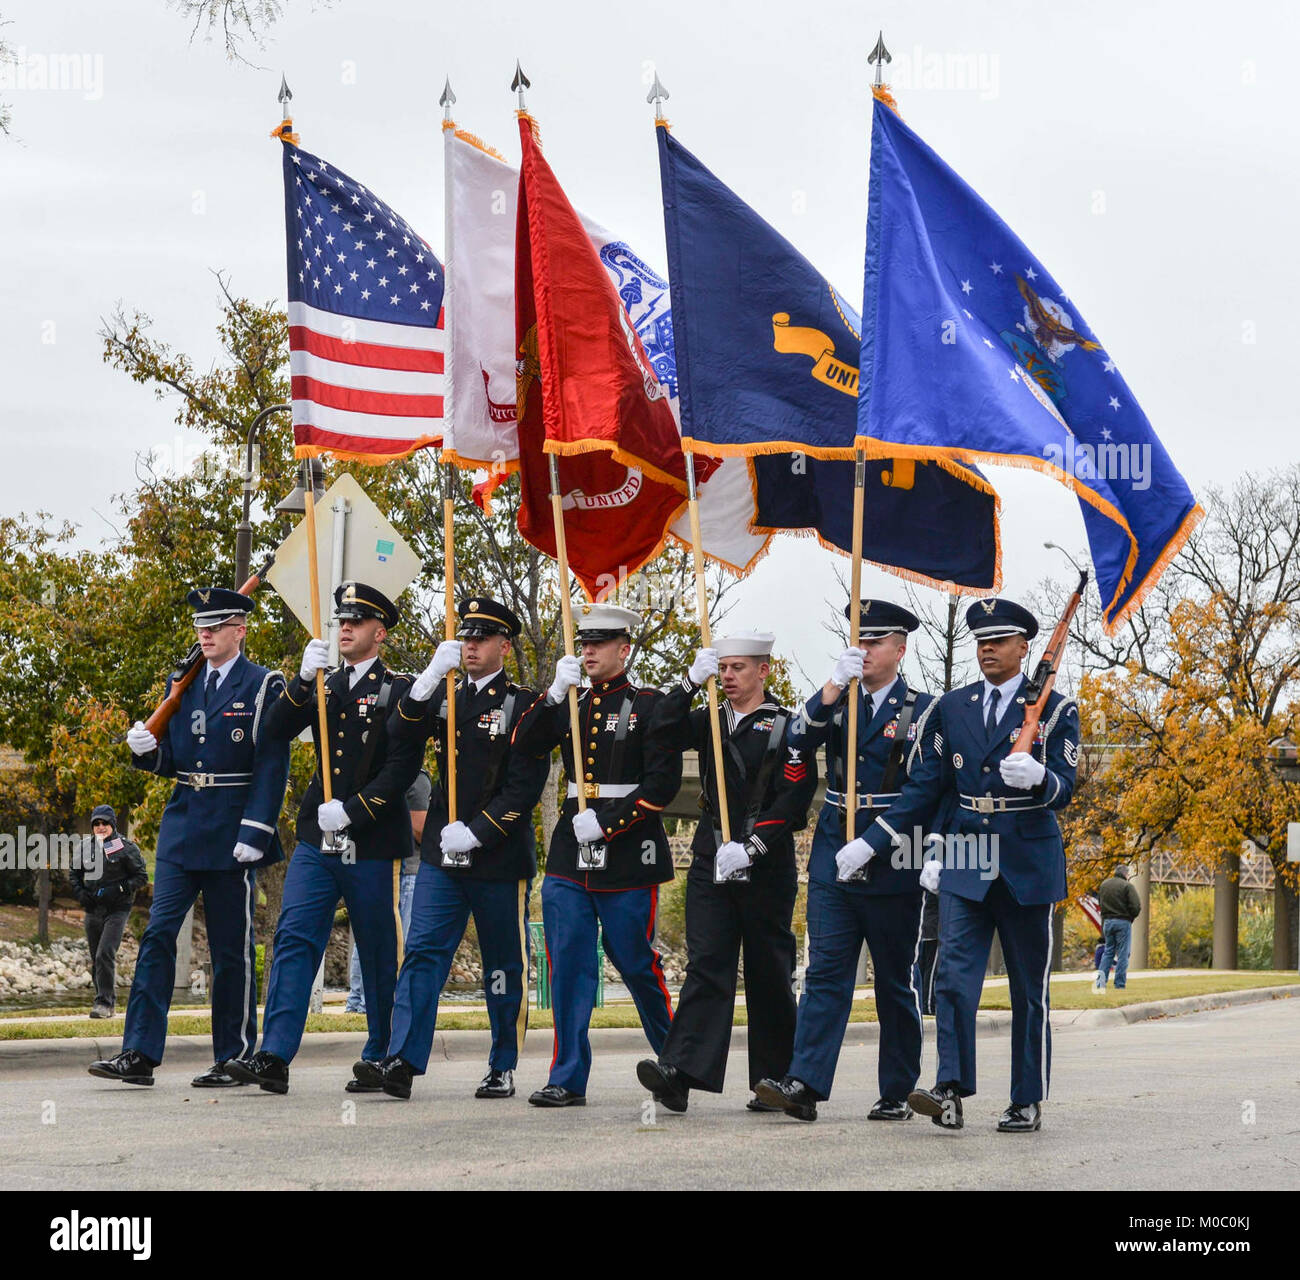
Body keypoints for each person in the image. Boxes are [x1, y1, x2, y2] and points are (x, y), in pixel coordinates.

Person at [853, 598, 1079, 1134]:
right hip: (965, 851)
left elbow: (1066, 788)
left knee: (1028, 985)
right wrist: (933, 844)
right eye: (981, 641)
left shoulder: (1056, 709)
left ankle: (1026, 1096)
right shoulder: (951, 708)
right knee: (952, 979)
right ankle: (950, 1088)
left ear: (1026, 648)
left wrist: (1040, 780)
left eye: (999, 641)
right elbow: (934, 784)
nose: (988, 650)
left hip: (1026, 853)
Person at [225, 581, 422, 1095]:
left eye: (356, 622)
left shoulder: (398, 690)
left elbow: (403, 767)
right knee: (293, 939)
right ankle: (274, 1055)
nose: (345, 628)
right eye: (341, 621)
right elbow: (270, 731)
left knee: (379, 950)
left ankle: (381, 1053)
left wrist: (353, 811)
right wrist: (299, 680)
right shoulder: (324, 683)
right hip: (317, 838)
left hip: (372, 839)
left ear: (380, 634)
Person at [89, 588, 290, 1088]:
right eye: (201, 625)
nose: (206, 632)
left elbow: (271, 764)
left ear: (240, 630)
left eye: (218, 625)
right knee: (157, 935)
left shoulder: (264, 685)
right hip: (183, 827)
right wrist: (142, 749)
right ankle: (137, 1052)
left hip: (233, 829)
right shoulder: (181, 683)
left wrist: (257, 830)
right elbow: (173, 759)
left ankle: (234, 1056)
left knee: (230, 948)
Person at [360, 598, 550, 1101]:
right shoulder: (445, 696)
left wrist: (480, 830)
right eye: (466, 637)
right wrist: (425, 680)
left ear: (504, 646)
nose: (470, 646)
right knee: (422, 953)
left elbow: (525, 787)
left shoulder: (523, 704)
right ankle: (401, 1058)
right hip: (444, 856)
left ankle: (502, 1064)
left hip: (498, 854)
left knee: (502, 964)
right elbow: (397, 732)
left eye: (481, 638)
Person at [757, 601, 935, 1123]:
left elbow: (923, 791)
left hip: (894, 854)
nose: (866, 649)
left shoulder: (923, 711)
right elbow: (794, 741)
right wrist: (831, 685)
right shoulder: (837, 701)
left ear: (900, 649)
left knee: (894, 981)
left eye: (877, 642)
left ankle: (897, 1090)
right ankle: (805, 1084)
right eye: (860, 640)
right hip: (836, 850)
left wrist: (875, 842)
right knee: (826, 973)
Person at [636, 631, 816, 1114]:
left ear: (764, 671)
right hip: (711, 855)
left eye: (739, 668)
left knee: (768, 972)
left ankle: (775, 1079)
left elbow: (794, 800)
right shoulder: (709, 720)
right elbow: (658, 732)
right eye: (724, 668)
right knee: (707, 964)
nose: (729, 676)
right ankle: (680, 1073)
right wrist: (690, 684)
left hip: (765, 860)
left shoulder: (787, 726)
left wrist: (753, 847)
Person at [511, 603, 682, 1107]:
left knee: (634, 960)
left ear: (623, 649)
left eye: (598, 644)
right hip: (569, 851)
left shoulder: (648, 706)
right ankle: (566, 1077)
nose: (587, 651)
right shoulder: (568, 700)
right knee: (567, 963)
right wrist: (548, 697)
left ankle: (674, 1064)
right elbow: (523, 744)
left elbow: (660, 787)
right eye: (582, 643)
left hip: (628, 852)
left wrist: (608, 823)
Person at [344, 770, 431, 1012]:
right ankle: (379, 1002)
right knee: (398, 942)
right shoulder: (416, 779)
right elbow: (420, 828)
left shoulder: (371, 776)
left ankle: (357, 1002)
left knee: (369, 938)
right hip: (409, 869)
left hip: (376, 865)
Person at [72, 805, 148, 1018]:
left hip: (117, 910)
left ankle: (105, 1003)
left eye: (105, 823)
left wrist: (119, 889)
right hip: (93, 910)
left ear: (112, 825)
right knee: (96, 957)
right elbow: (74, 874)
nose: (100, 827)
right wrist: (81, 894)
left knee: (105, 952)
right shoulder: (85, 847)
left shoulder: (124, 847)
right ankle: (102, 1001)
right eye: (96, 823)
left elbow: (141, 876)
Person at [1094, 865, 1141, 991]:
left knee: (1108, 952)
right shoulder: (1127, 886)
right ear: (1125, 874)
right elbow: (1136, 906)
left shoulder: (1104, 885)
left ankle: (1100, 983)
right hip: (1123, 922)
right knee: (1123, 954)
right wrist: (1130, 917)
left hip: (1107, 922)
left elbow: (1100, 902)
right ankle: (1119, 984)